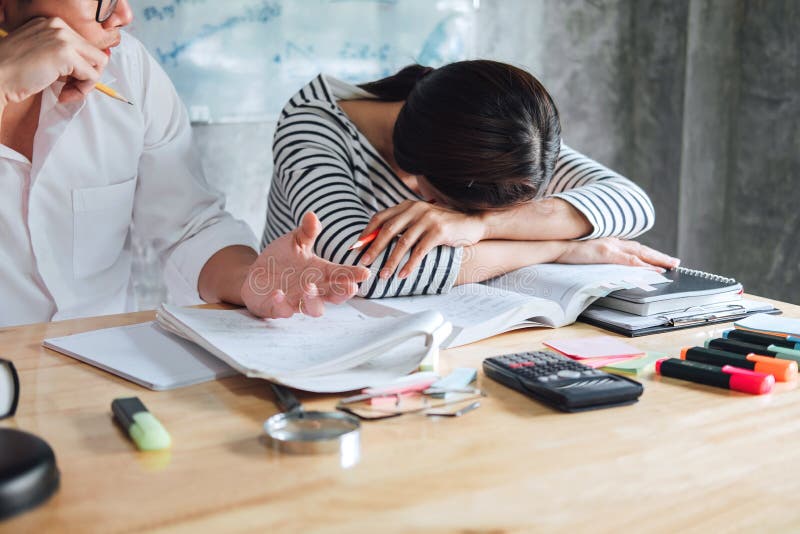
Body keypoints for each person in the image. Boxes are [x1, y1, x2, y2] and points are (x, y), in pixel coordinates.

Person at [0, 0, 369, 328]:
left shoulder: (128, 70)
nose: (124, 15)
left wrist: (253, 279)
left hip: (98, 363)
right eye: (103, 0)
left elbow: (189, 228)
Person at [262, 61, 680, 299]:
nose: (451, 219)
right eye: (456, 209)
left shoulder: (490, 122)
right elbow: (357, 271)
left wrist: (482, 226)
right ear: (415, 175)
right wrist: (560, 248)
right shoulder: (312, 127)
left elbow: (631, 203)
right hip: (297, 329)